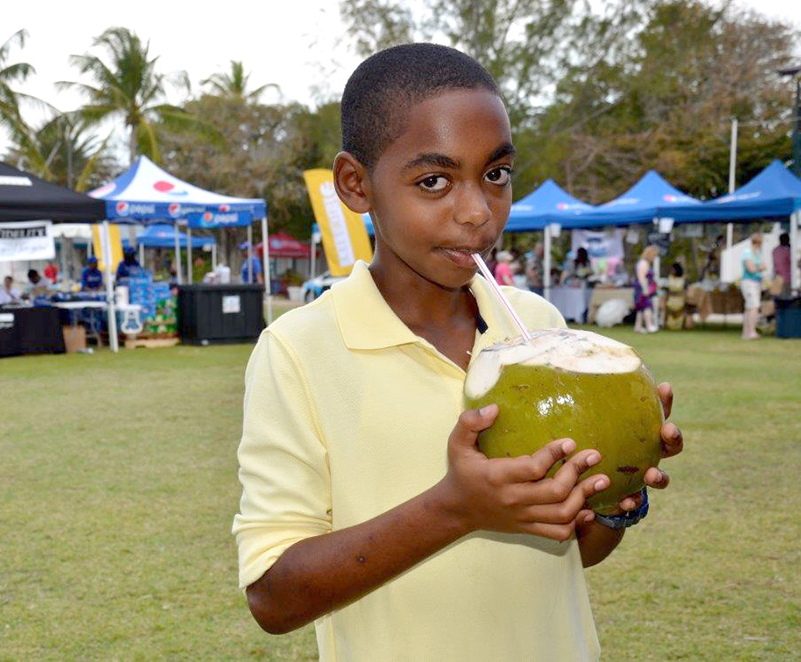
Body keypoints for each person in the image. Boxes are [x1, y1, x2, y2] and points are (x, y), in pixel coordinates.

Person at [233, 43, 683, 661]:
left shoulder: (540, 327)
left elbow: (575, 548)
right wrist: (454, 508)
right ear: (356, 184)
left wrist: (615, 497)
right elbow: (273, 598)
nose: (478, 212)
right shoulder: (299, 351)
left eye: (496, 174)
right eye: (434, 181)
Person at [741, 232, 767, 340]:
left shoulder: (758, 253)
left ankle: (747, 331)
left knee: (749, 307)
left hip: (756, 282)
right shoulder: (747, 253)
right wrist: (760, 268)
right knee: (754, 306)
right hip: (749, 282)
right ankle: (751, 331)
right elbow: (751, 269)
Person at [633, 245, 660, 334]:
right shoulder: (643, 263)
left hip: (644, 287)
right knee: (647, 306)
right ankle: (649, 325)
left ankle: (638, 326)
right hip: (642, 288)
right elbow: (641, 277)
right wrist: (645, 288)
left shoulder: (645, 263)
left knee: (640, 308)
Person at [665, 262, 688, 330]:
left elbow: (684, 291)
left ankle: (680, 323)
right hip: (671, 300)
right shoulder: (669, 278)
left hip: (680, 300)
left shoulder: (683, 279)